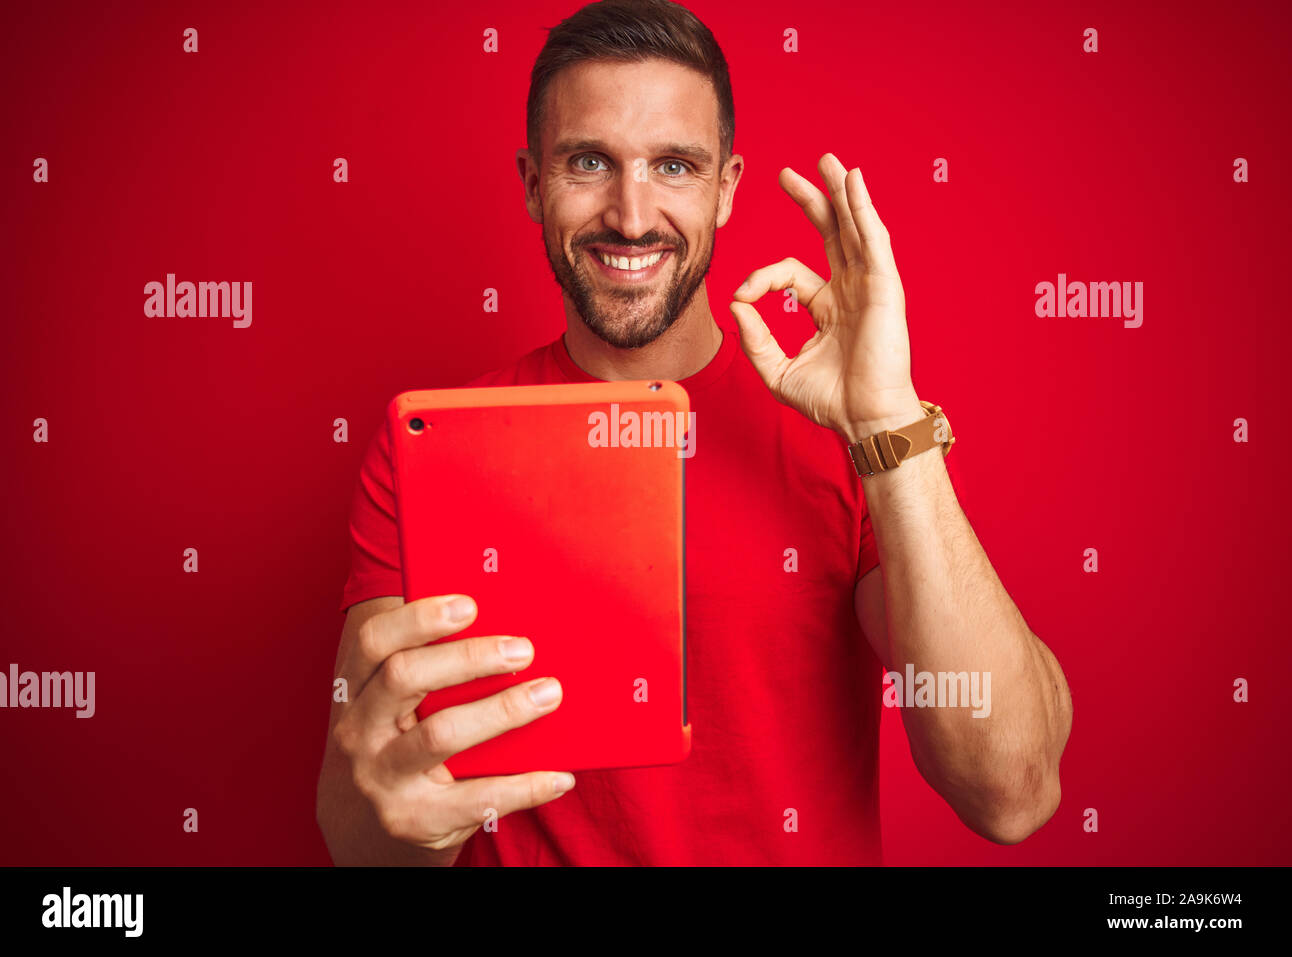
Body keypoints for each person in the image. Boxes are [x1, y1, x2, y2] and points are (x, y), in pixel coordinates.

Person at [316, 0, 1072, 866]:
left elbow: (1012, 790)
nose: (631, 216)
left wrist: (889, 421)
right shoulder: (435, 446)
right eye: (589, 161)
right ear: (532, 182)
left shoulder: (865, 439)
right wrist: (407, 814)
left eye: (674, 165)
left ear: (727, 187)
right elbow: (357, 838)